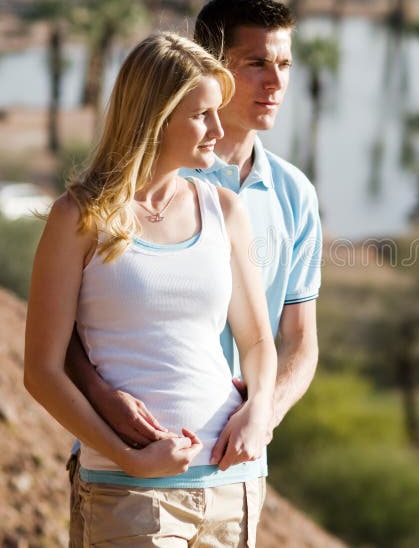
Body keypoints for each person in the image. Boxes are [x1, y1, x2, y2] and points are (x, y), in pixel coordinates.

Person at [64, 0, 322, 544]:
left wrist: (259, 417)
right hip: (134, 462)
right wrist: (105, 400)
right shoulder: (128, 193)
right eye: (256, 64)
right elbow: (61, 330)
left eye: (284, 65)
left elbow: (297, 340)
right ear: (206, 61)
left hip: (233, 468)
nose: (275, 83)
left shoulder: (294, 196)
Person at [25, 32, 278, 546]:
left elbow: (256, 342)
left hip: (232, 487)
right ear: (155, 119)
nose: (216, 128)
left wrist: (258, 413)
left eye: (217, 112)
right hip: (128, 495)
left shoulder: (226, 211)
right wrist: (130, 459)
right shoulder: (78, 218)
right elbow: (42, 371)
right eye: (201, 115)